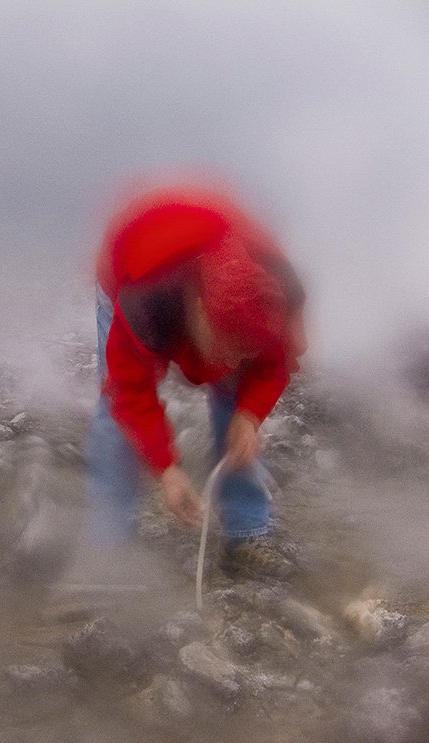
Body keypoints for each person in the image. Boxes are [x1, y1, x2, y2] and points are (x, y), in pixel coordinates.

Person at [86, 182, 306, 577]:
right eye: (225, 346)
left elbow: (275, 363)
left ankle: (248, 531)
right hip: (133, 249)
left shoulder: (273, 300)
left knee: (236, 408)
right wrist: (166, 470)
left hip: (217, 228)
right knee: (116, 414)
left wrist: (250, 415)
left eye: (245, 351)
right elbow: (129, 391)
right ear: (199, 309)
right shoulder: (145, 303)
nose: (231, 362)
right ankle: (108, 544)